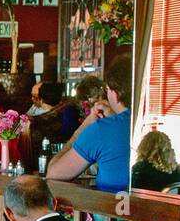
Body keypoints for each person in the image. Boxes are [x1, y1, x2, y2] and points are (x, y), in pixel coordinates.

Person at [47, 56, 132, 193]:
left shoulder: (101, 130)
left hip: (113, 211)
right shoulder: (151, 123)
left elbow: (54, 173)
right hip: (156, 211)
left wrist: (85, 125)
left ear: (115, 94)